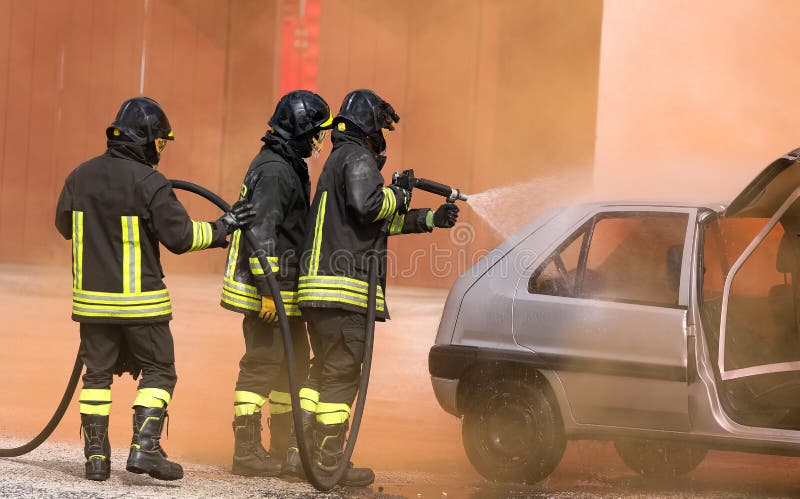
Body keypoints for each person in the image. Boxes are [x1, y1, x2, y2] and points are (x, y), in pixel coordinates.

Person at [55, 96, 254, 482]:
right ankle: (145, 448)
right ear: (146, 139)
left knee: (96, 377)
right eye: (160, 142)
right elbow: (180, 237)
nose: (159, 151)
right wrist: (223, 226)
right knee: (160, 371)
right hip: (141, 306)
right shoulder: (150, 182)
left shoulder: (79, 176)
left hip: (92, 305)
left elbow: (65, 228)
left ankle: (96, 459)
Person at [297, 89, 460, 486]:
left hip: (318, 292)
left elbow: (373, 221)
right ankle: (330, 459)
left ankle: (301, 452)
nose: (382, 138)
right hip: (344, 290)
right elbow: (369, 205)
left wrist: (430, 218)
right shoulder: (356, 157)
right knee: (342, 373)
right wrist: (400, 194)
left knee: (322, 373)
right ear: (369, 125)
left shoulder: (339, 160)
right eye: (381, 128)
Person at [220, 90, 332, 477]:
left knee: (293, 367)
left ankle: (284, 448)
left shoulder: (286, 164)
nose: (318, 141)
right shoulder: (274, 170)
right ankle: (246, 453)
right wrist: (267, 293)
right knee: (263, 365)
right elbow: (262, 231)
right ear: (299, 130)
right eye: (315, 133)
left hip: (286, 288)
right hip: (269, 290)